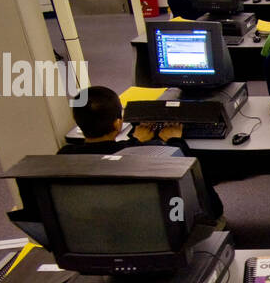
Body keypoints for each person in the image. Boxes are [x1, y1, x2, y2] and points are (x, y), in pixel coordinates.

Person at [60, 85, 224, 218]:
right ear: (118, 124)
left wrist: (135, 142)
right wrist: (175, 141)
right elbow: (211, 204)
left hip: (93, 226)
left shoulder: (64, 157)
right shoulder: (157, 155)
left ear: (77, 122)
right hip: (152, 224)